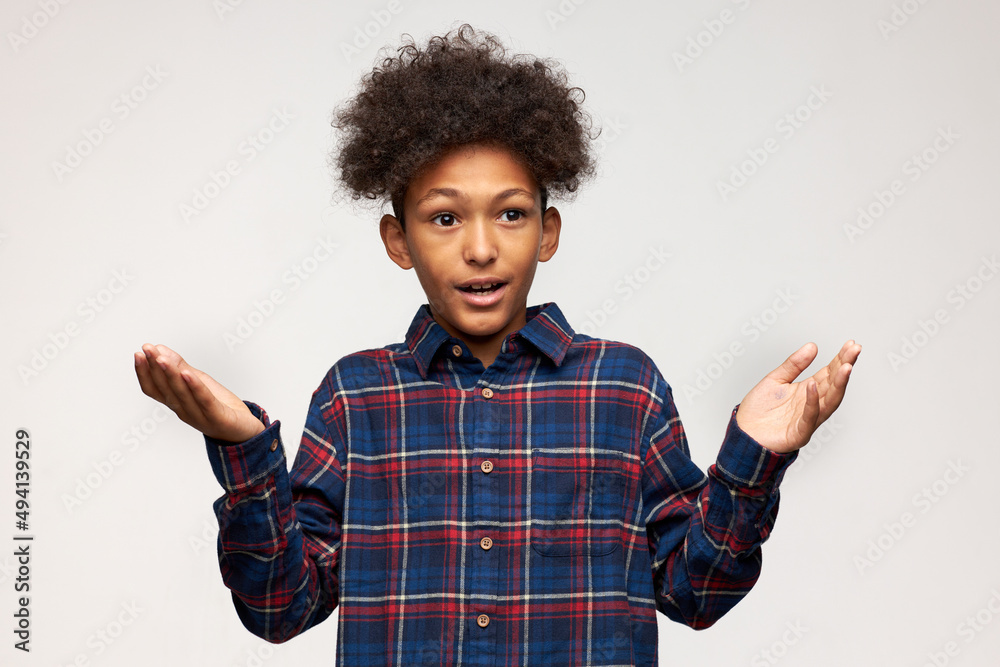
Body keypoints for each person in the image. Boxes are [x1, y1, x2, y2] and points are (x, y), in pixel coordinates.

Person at [133, 23, 860, 666]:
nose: (481, 247)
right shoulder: (356, 399)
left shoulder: (623, 388)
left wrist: (752, 462)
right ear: (398, 240)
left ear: (548, 231)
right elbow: (279, 608)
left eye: (510, 214)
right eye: (445, 219)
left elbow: (696, 591)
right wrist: (245, 454)